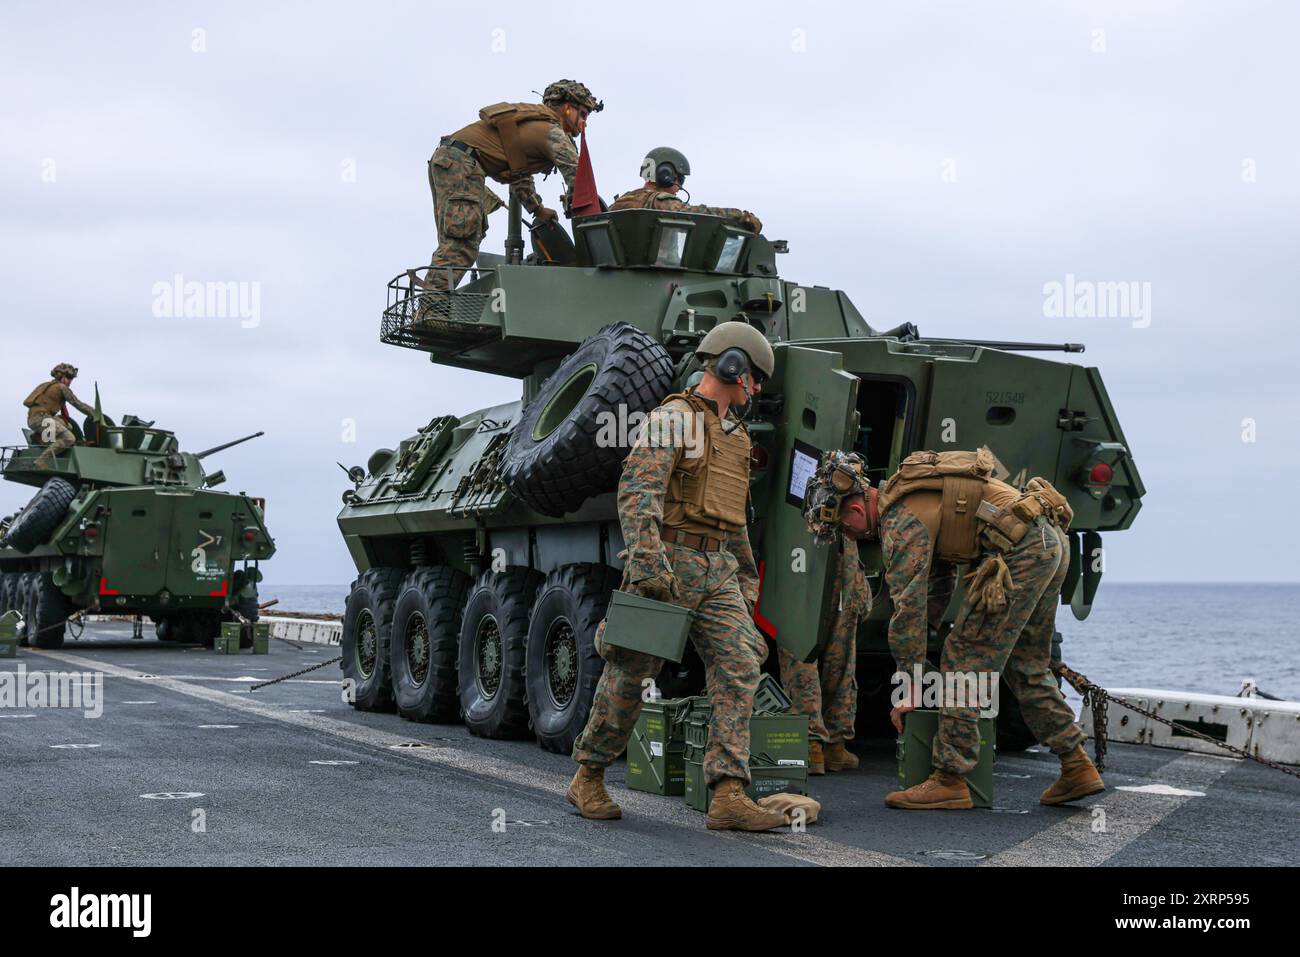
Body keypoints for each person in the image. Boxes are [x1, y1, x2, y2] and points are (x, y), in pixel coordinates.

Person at [568, 321, 787, 831]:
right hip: (665, 565)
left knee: (740, 664)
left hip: (717, 570)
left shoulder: (733, 436)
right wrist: (647, 566)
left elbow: (734, 517)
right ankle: (589, 775)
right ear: (732, 366)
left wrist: (746, 579)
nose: (754, 389)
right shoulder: (673, 419)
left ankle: (728, 792)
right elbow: (637, 492)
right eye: (753, 378)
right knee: (631, 675)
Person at [876, 449, 1104, 809]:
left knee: (964, 658)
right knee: (1025, 664)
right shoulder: (922, 496)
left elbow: (907, 606)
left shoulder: (898, 518)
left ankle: (950, 780)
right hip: (1050, 541)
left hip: (1020, 550)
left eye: (850, 531)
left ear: (856, 510)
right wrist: (922, 656)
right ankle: (1077, 766)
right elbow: (938, 584)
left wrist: (911, 682)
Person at [426, 79, 602, 290]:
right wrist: (587, 211)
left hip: (449, 161)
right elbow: (578, 177)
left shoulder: (534, 125)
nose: (584, 122)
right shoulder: (553, 132)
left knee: (456, 240)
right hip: (463, 164)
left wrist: (538, 209)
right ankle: (433, 307)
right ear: (566, 109)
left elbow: (519, 176)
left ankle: (432, 304)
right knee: (461, 242)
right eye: (582, 114)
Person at [780, 450, 875, 774]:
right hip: (843, 559)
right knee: (841, 651)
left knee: (799, 646)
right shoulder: (846, 472)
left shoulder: (809, 473)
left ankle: (811, 744)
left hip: (800, 553)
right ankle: (834, 742)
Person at [609, 147, 763, 233]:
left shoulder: (622, 201)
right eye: (680, 180)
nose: (679, 188)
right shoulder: (660, 201)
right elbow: (695, 214)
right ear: (666, 175)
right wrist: (738, 215)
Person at [23, 363, 94, 469]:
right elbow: (77, 403)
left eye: (72, 378)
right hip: (42, 419)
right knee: (69, 438)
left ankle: (40, 437)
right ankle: (41, 460)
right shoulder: (61, 387)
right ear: (60, 376)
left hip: (35, 419)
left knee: (68, 425)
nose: (70, 381)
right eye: (69, 377)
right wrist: (95, 413)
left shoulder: (47, 385)